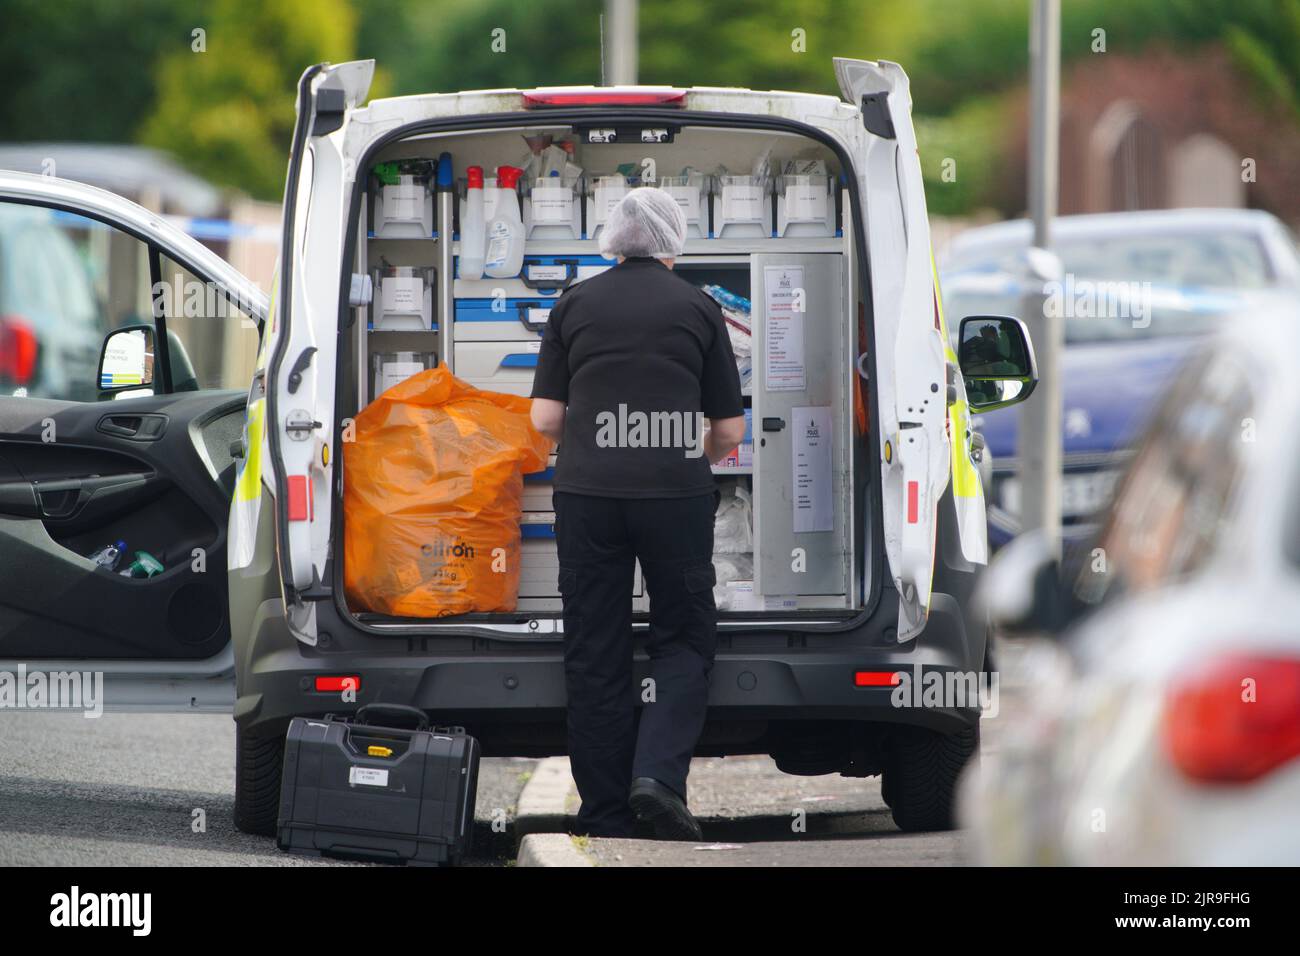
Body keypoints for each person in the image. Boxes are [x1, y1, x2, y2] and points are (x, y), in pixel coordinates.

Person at [530, 188, 746, 840]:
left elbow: (544, 420)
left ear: (613, 237)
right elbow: (730, 432)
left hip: (588, 498)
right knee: (682, 638)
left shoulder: (575, 303)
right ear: (674, 239)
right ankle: (657, 778)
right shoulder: (699, 307)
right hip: (675, 499)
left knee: (596, 649)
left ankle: (604, 814)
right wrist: (689, 452)